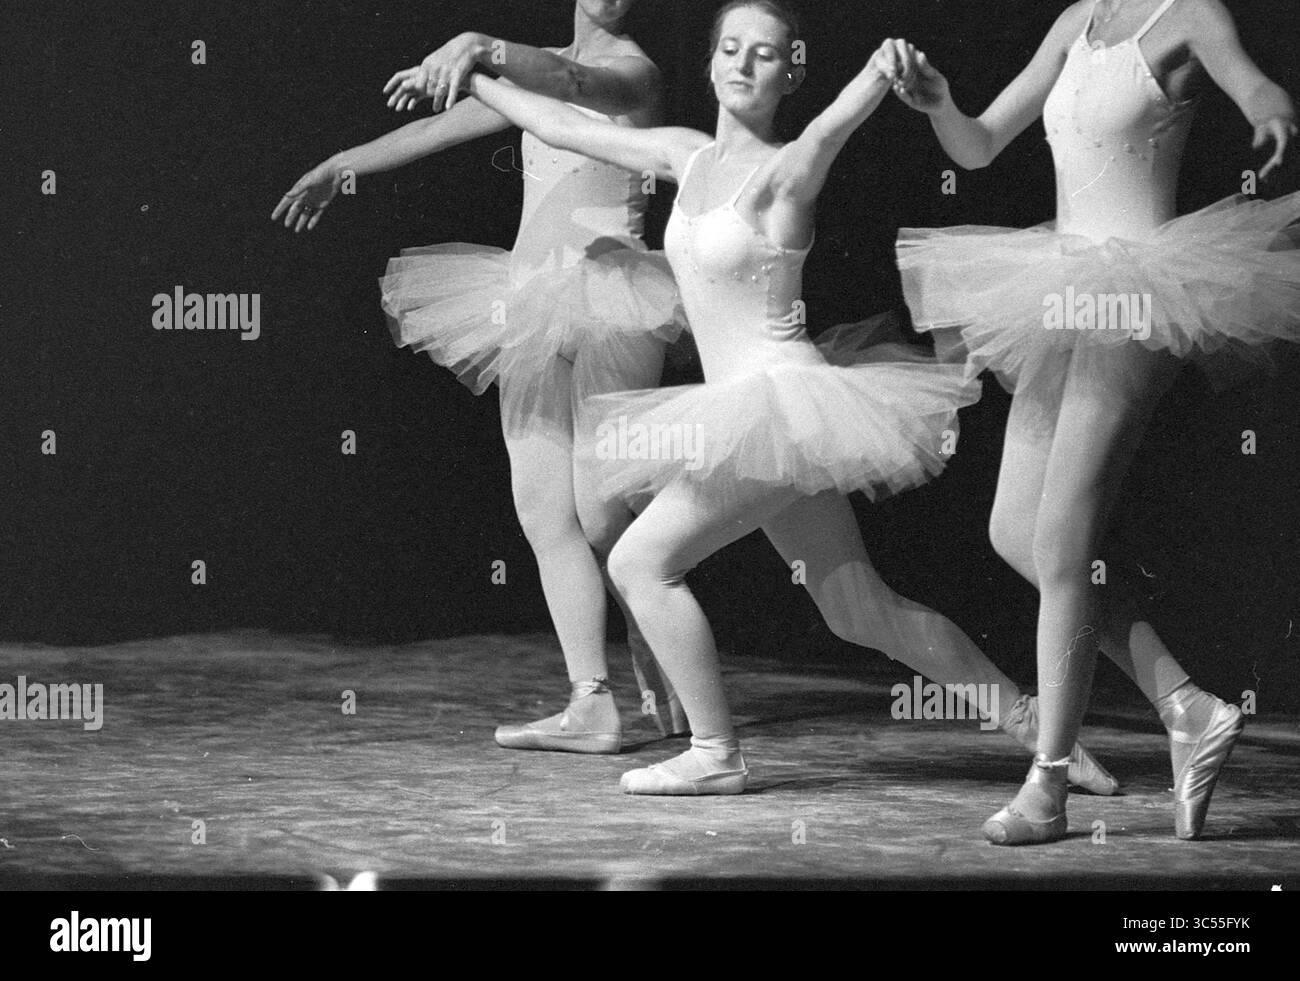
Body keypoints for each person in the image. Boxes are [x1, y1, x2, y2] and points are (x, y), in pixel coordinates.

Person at [462, 0, 1118, 795]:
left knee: (640, 561)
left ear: (791, 71)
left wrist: (878, 75)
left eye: (764, 55)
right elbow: (566, 127)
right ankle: (1039, 730)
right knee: (859, 610)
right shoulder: (686, 156)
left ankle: (715, 751)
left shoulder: (785, 175)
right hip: (757, 421)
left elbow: (828, 132)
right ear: (709, 64)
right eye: (730, 49)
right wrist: (472, 70)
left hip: (777, 407)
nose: (742, 64)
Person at [891, 0, 1298, 842]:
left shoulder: (1191, 16)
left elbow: (1256, 87)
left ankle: (1048, 784)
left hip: (1141, 291)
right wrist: (939, 103)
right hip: (1064, 284)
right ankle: (1186, 705)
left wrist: (1271, 113)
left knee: (1064, 541)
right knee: (1015, 531)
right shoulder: (1079, 19)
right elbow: (980, 142)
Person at [272, 0, 690, 752]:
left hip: (617, 298)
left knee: (600, 514)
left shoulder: (633, 73)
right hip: (526, 295)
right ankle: (591, 699)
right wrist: (344, 164)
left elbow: (569, 75)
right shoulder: (525, 72)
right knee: (539, 506)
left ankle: (654, 633)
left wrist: (480, 45)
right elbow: (442, 124)